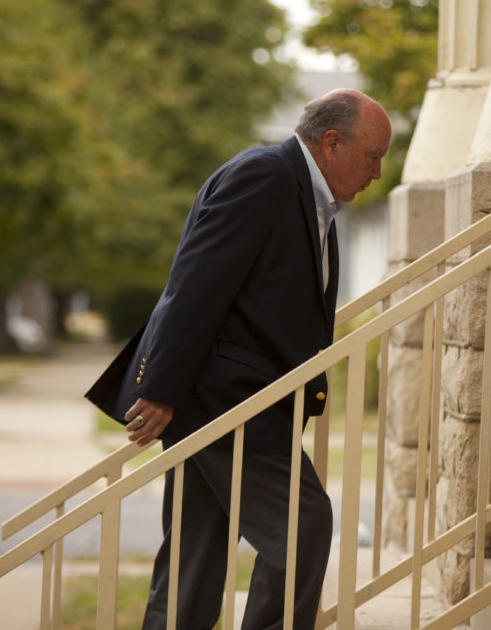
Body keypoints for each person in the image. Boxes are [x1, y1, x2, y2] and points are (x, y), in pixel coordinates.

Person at [85, 89, 391, 629]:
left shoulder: (312, 200)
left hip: (236, 401)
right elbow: (196, 284)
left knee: (194, 560)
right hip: (225, 402)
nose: (377, 173)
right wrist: (160, 388)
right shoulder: (265, 176)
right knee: (304, 525)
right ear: (332, 142)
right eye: (372, 156)